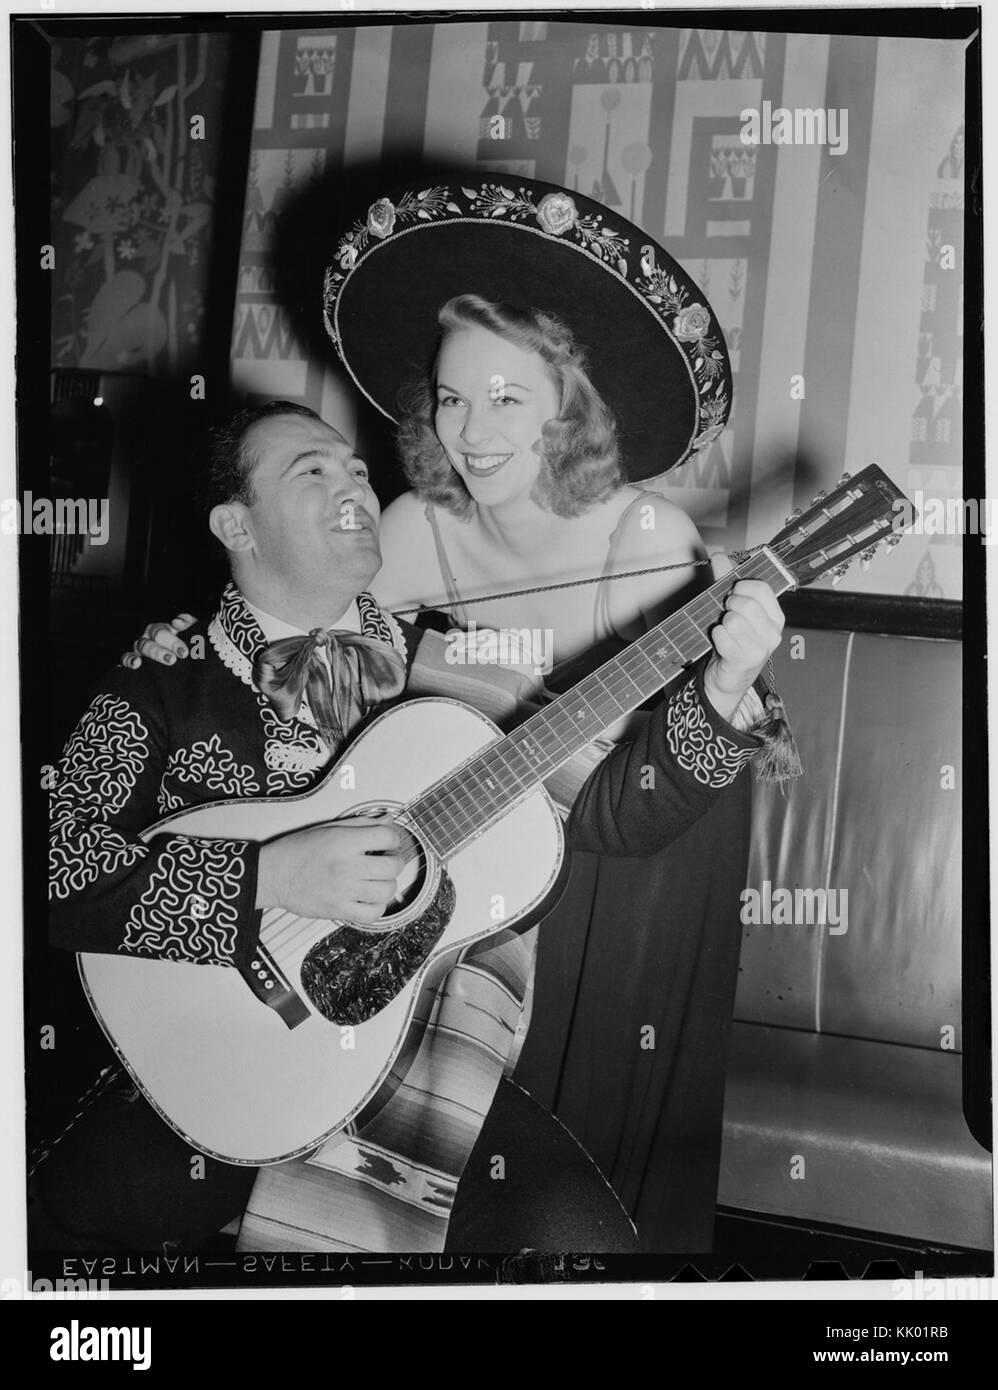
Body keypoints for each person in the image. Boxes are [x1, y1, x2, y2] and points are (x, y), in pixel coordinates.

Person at [117, 173, 794, 1253]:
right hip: (395, 871)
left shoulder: (645, 547)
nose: (468, 431)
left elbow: (626, 808)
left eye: (506, 399)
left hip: (581, 894)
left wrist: (720, 693)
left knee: (569, 1237)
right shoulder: (418, 523)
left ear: (566, 405)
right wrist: (199, 664)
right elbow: (315, 719)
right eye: (448, 396)